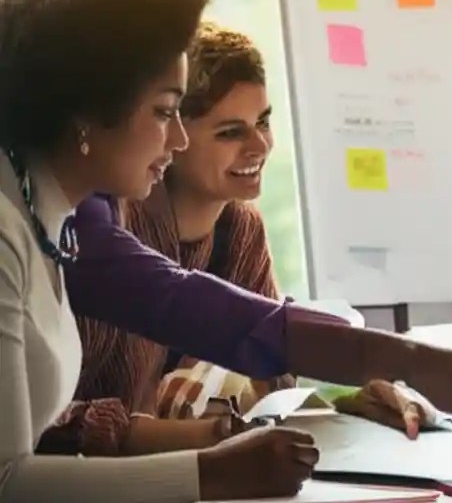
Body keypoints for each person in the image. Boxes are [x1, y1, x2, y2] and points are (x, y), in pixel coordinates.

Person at [0, 0, 452, 503]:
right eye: (164, 112)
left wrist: (372, 381)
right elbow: (10, 477)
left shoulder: (49, 218)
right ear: (89, 106)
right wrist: (210, 472)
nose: (173, 138)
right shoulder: (42, 227)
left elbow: (260, 353)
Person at [38, 23, 422, 459]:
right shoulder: (105, 227)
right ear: (172, 137)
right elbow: (39, 422)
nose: (259, 144)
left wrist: (345, 400)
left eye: (263, 121)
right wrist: (201, 436)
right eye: (230, 132)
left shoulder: (240, 229)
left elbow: (271, 372)